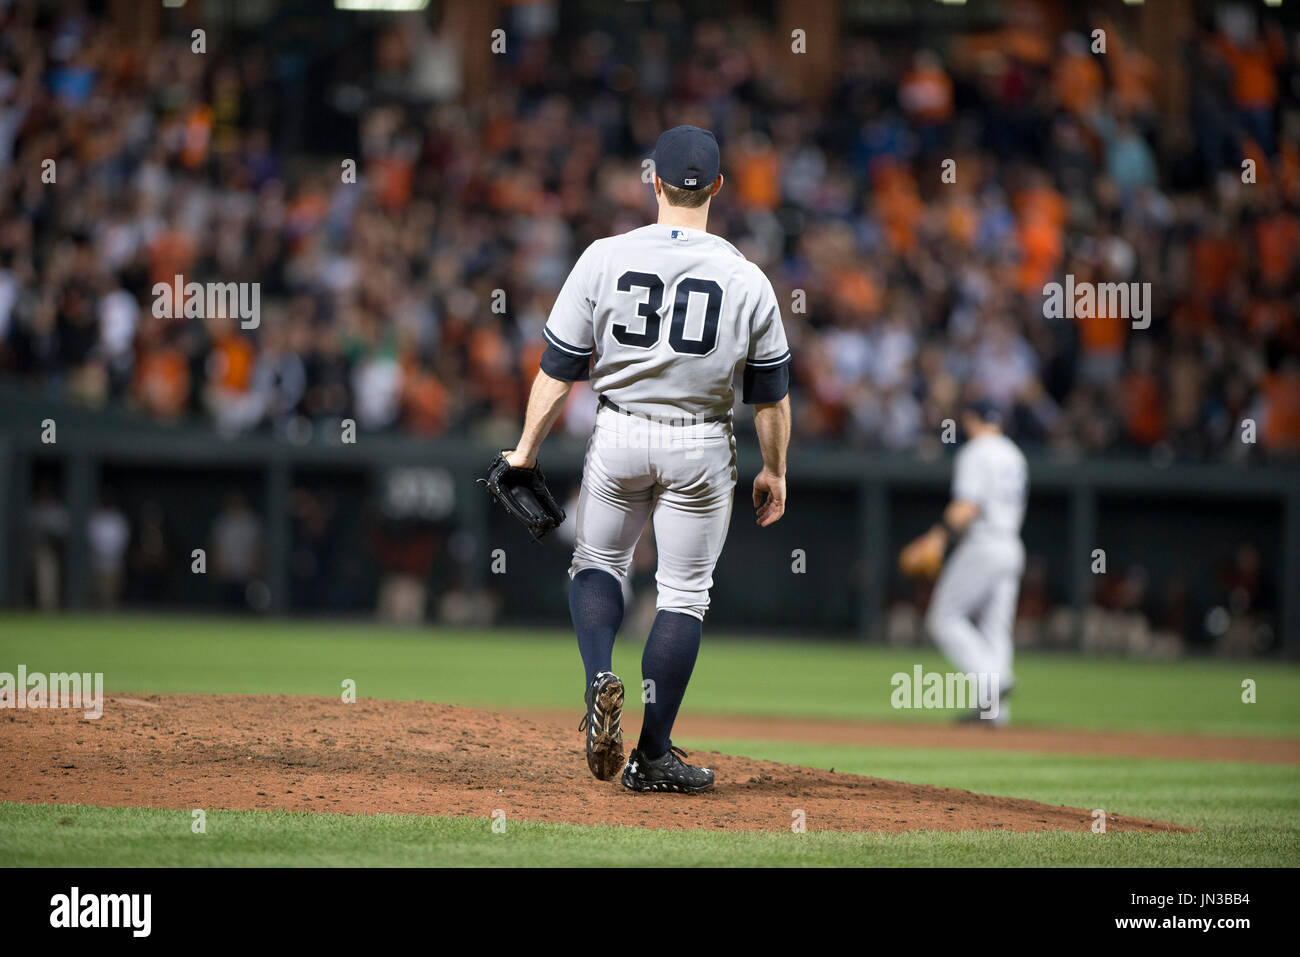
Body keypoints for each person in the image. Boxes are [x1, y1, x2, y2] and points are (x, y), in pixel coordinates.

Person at [502, 126, 792, 792]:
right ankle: (652, 753)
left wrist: (525, 451)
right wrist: (774, 468)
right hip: (700, 443)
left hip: (622, 432)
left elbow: (557, 369)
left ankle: (600, 672)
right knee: (684, 595)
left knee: (598, 562)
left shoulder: (604, 255)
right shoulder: (746, 276)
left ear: (652, 180)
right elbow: (771, 398)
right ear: (717, 187)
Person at [913, 400, 1027, 724]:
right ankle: (996, 713)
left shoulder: (976, 451)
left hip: (984, 543)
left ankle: (995, 681)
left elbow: (967, 507)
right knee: (995, 629)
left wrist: (937, 537)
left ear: (972, 420)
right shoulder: (1014, 454)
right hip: (1011, 544)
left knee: (944, 617)